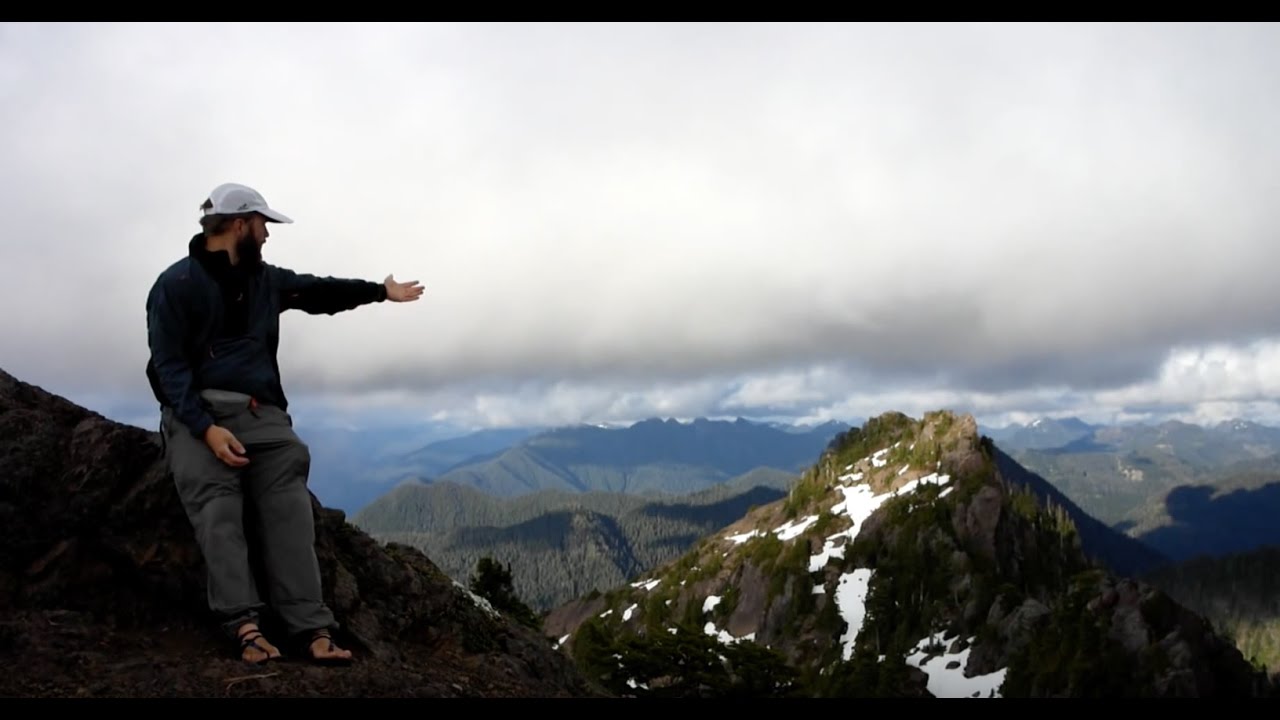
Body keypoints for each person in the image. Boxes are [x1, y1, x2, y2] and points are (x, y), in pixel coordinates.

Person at [144, 182, 423, 666]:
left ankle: (312, 627)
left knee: (289, 506)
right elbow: (167, 368)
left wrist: (380, 292)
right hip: (199, 415)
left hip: (261, 413)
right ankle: (245, 627)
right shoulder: (175, 286)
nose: (268, 235)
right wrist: (205, 429)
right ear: (238, 225)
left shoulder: (264, 281)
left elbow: (319, 291)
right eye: (263, 225)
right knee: (218, 507)